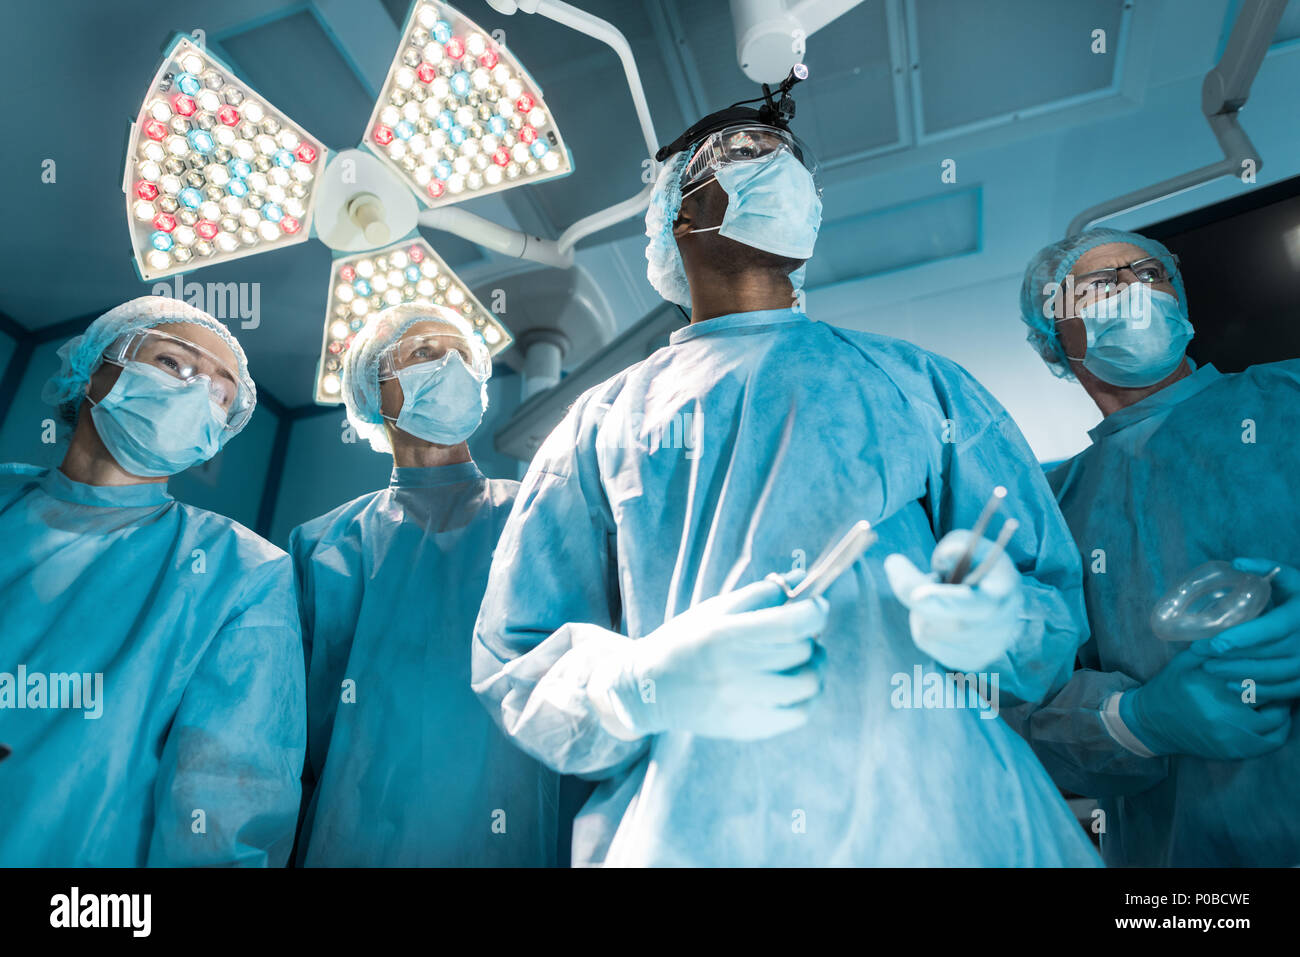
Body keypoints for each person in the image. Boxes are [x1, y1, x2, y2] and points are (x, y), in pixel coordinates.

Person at [471, 101, 1101, 866]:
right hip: (703, 832)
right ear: (679, 212)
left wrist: (1005, 624)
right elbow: (519, 662)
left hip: (951, 820)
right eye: (745, 152)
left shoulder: (920, 383)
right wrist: (639, 682)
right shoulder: (597, 425)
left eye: (790, 160)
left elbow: (1050, 606)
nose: (781, 171)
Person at [1015, 226, 1300, 865]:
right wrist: (1135, 721)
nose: (1134, 292)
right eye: (1100, 287)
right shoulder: (1051, 507)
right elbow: (1028, 703)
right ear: (1057, 340)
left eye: (1150, 274)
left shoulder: (1289, 397)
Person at [0, 296, 304, 866]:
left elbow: (224, 815)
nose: (197, 392)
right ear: (94, 366)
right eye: (172, 363)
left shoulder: (242, 571)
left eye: (220, 391)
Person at [292, 303, 559, 867]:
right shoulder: (323, 546)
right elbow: (291, 729)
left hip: (516, 827)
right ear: (372, 391)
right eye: (424, 354)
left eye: (463, 354)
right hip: (351, 830)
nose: (451, 367)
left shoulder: (540, 511)